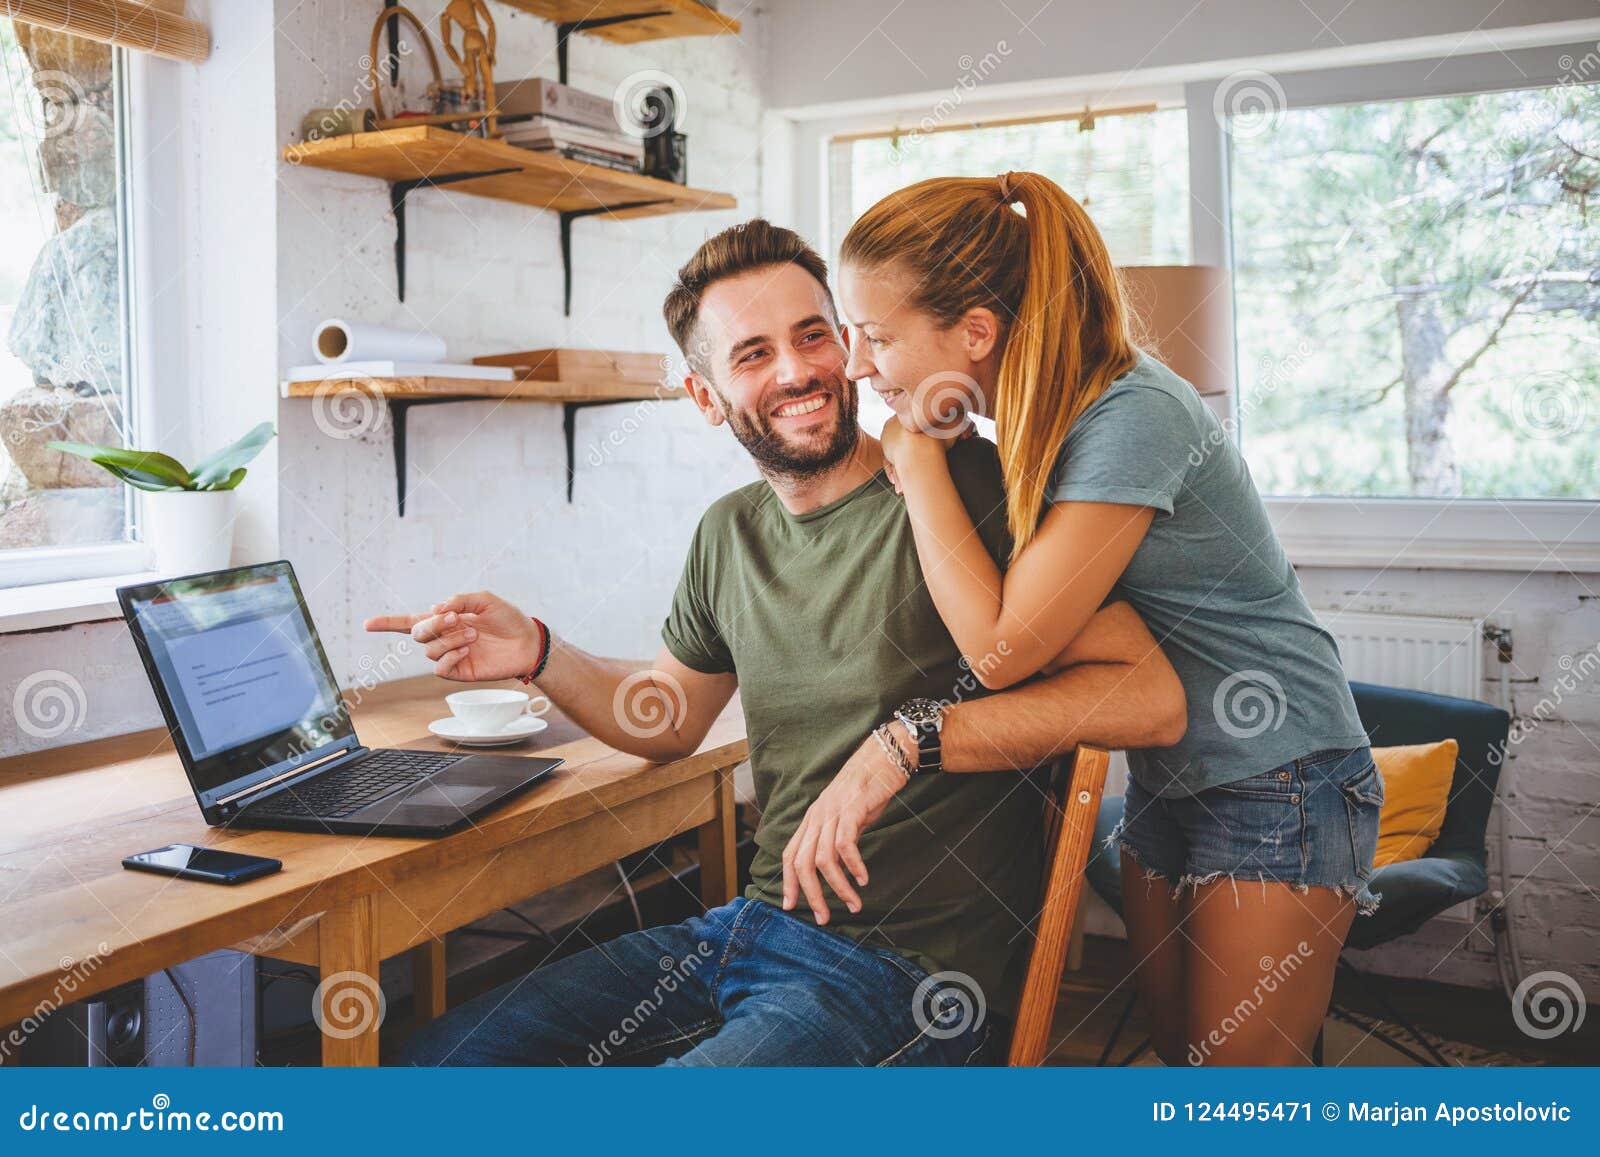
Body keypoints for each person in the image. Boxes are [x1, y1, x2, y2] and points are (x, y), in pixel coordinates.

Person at [371, 218, 1186, 1067]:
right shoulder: (729, 534)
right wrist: (542, 652)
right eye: (753, 353)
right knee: (438, 1061)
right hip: (743, 931)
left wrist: (914, 741)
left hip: (906, 976)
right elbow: (671, 713)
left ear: (845, 343)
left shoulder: (961, 487)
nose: (796, 370)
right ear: (705, 395)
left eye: (811, 337)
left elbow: (1147, 691)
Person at [837, 171, 1382, 1066]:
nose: (860, 365)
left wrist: (918, 459)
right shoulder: (1033, 414)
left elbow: (1004, 649)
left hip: (1285, 771)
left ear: (975, 331)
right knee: (1179, 1054)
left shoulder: (1129, 415)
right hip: (1173, 773)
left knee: (1241, 1095)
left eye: (877, 337)